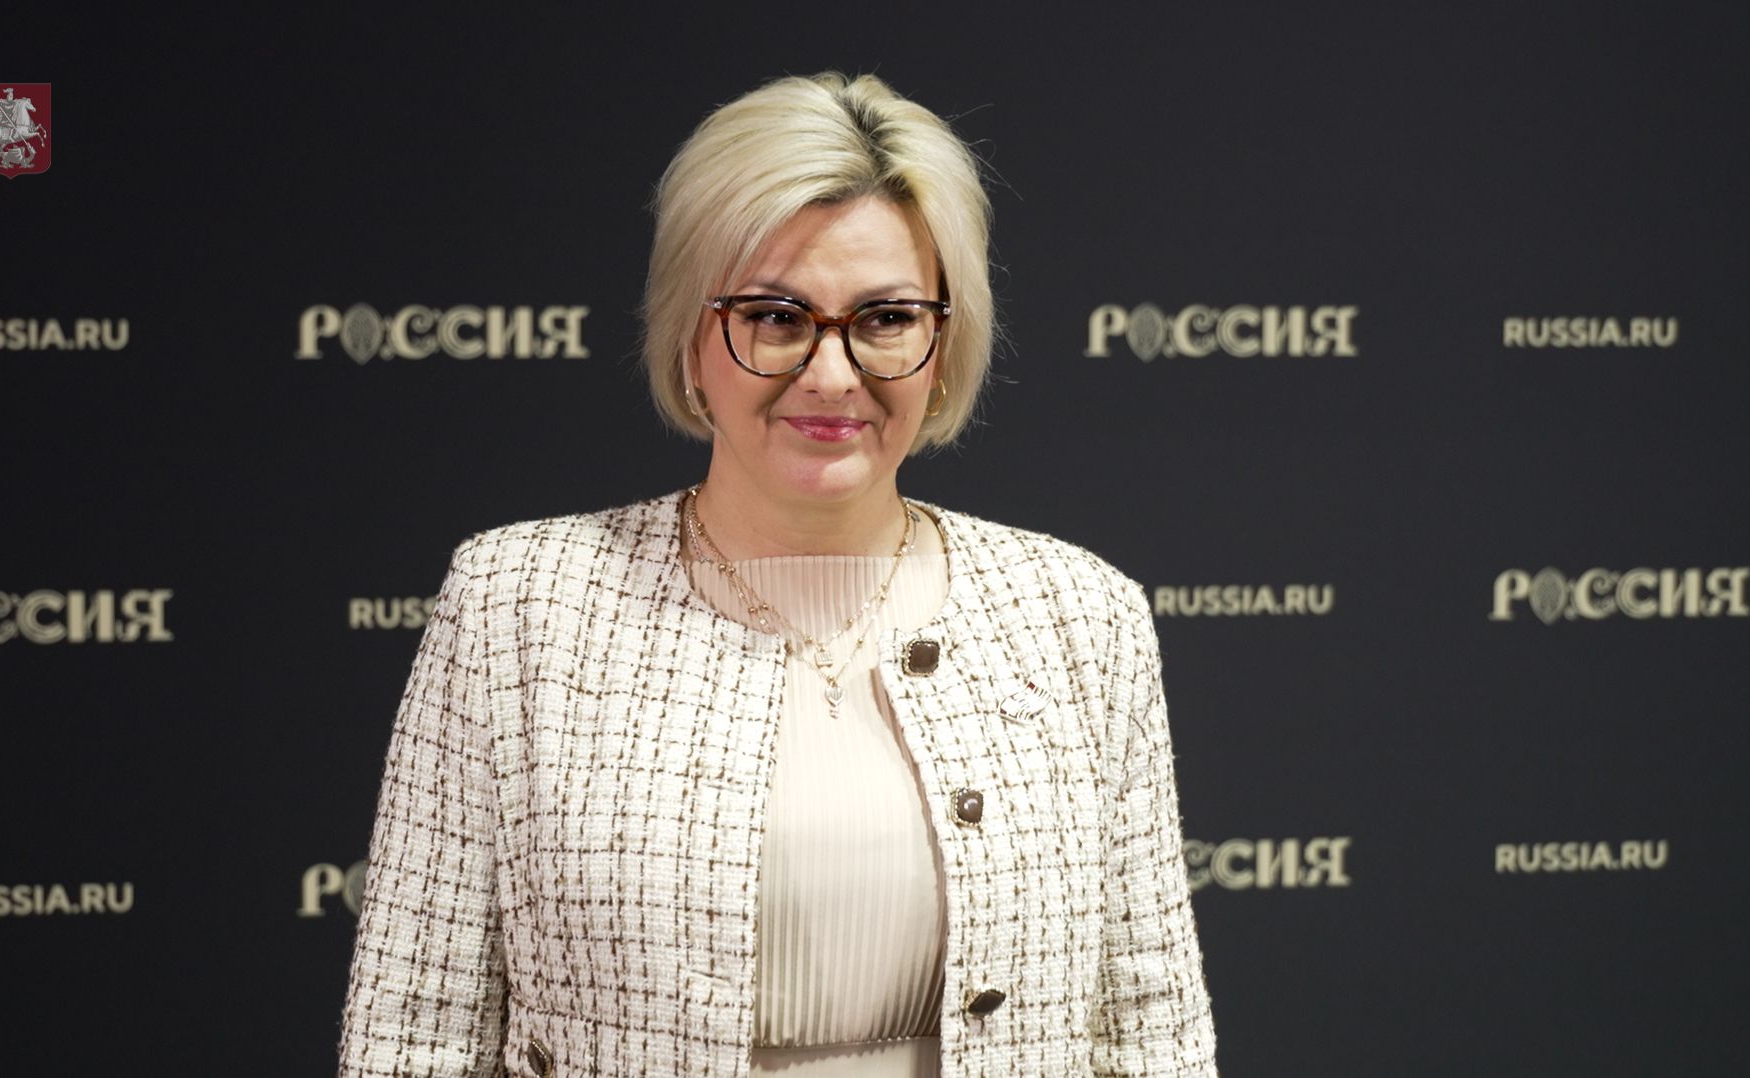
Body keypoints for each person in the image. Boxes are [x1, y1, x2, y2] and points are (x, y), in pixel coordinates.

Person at [339, 72, 1216, 1077]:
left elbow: (1152, 1038)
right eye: (775, 316)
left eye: (885, 319)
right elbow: (412, 1036)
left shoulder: (1080, 616)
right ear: (690, 340)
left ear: (944, 346)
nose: (832, 375)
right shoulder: (517, 605)